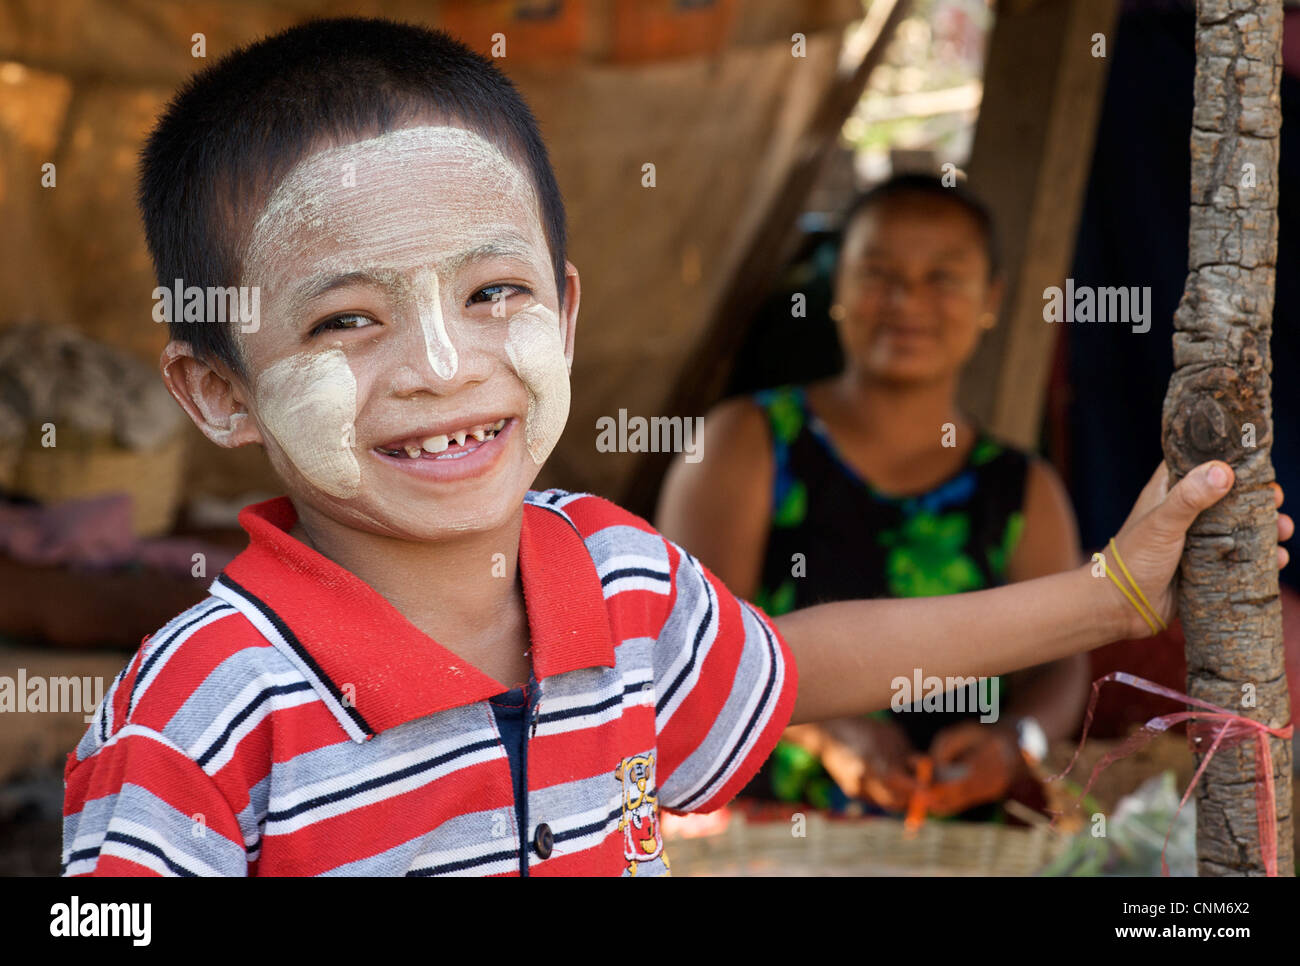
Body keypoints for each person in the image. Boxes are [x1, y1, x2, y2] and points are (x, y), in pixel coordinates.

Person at [61, 18, 1286, 877]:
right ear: (217, 392)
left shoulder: (616, 577)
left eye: (494, 293)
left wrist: (1112, 592)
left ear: (569, 310)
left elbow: (802, 665)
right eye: (346, 318)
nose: (443, 365)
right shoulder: (199, 710)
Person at [657, 175, 1089, 820]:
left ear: (991, 299)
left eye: (942, 277)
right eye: (878, 271)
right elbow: (691, 646)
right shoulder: (746, 444)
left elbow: (1063, 663)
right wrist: (825, 730)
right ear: (838, 287)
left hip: (958, 848)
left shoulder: (1023, 490)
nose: (907, 299)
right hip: (766, 841)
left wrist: (1011, 742)